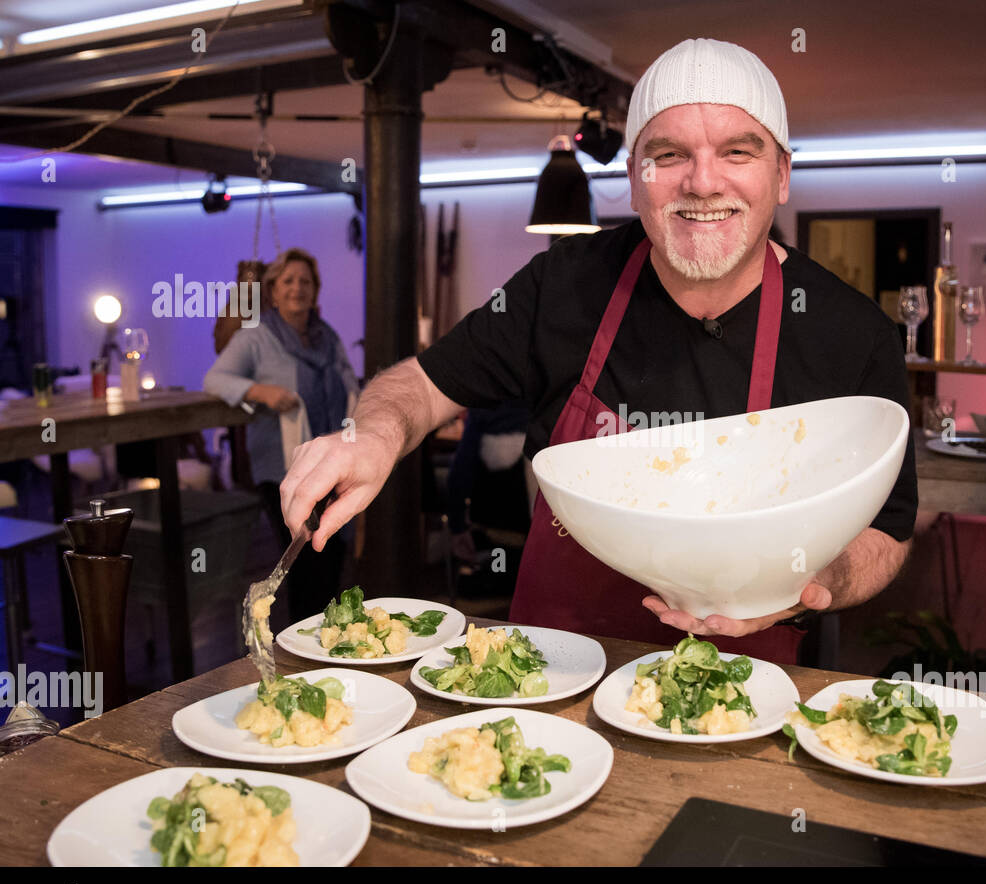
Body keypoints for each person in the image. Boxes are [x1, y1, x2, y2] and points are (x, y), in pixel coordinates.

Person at [281, 38, 916, 664]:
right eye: (668, 154)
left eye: (737, 151)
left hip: (739, 699)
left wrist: (808, 582)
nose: (702, 181)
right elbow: (420, 386)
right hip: (552, 677)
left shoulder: (852, 334)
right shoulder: (562, 286)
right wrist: (372, 436)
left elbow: (887, 530)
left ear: (781, 175)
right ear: (634, 183)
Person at [204, 247, 359, 622]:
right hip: (282, 467)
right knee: (301, 557)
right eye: (288, 281)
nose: (297, 288)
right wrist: (262, 392)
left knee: (332, 552)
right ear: (272, 291)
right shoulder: (256, 337)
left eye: (305, 281)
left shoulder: (327, 336)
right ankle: (302, 648)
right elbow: (215, 379)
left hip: (331, 463)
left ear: (315, 291)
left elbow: (350, 381)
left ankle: (329, 639)